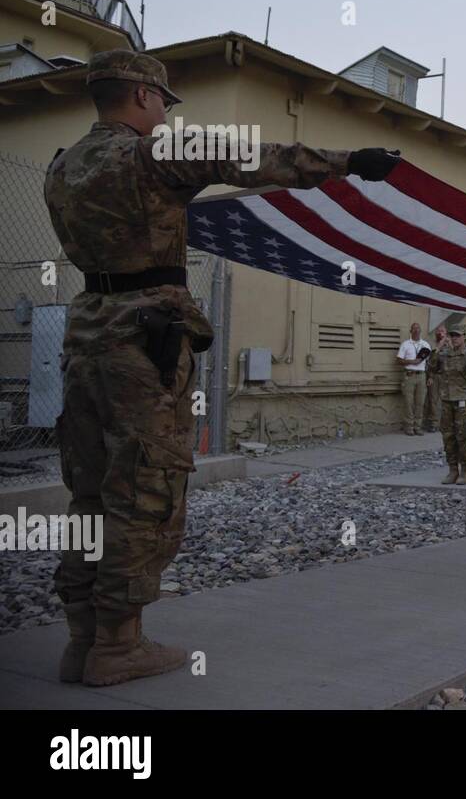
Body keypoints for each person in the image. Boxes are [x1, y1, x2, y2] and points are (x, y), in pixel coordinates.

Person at [45, 49, 400, 686]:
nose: (164, 113)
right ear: (142, 96)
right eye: (162, 102)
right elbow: (259, 157)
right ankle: (119, 646)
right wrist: (351, 163)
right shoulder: (154, 154)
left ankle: (82, 641)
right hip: (142, 337)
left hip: (87, 333)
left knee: (92, 490)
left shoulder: (62, 166)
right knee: (145, 487)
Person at [435, 325, 466, 484]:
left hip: (464, 401)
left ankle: (465, 471)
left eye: (457, 335)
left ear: (465, 337)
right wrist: (438, 348)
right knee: (448, 437)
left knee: (464, 437)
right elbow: (431, 368)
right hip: (447, 401)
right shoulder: (444, 355)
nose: (454, 338)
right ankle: (452, 470)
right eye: (452, 335)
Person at [396, 322, 431, 435]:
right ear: (410, 331)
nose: (416, 331)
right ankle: (409, 427)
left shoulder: (426, 345)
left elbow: (429, 363)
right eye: (414, 329)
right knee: (408, 402)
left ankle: (418, 427)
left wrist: (430, 377)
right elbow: (399, 360)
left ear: (421, 331)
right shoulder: (405, 344)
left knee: (420, 403)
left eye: (418, 329)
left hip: (421, 376)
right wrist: (412, 361)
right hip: (409, 376)